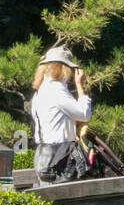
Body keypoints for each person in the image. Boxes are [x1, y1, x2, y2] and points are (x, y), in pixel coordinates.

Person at [31, 46, 92, 186]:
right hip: (59, 156)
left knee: (49, 203)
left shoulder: (40, 92)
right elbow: (84, 114)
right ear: (62, 68)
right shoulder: (56, 90)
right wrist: (80, 86)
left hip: (42, 154)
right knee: (64, 204)